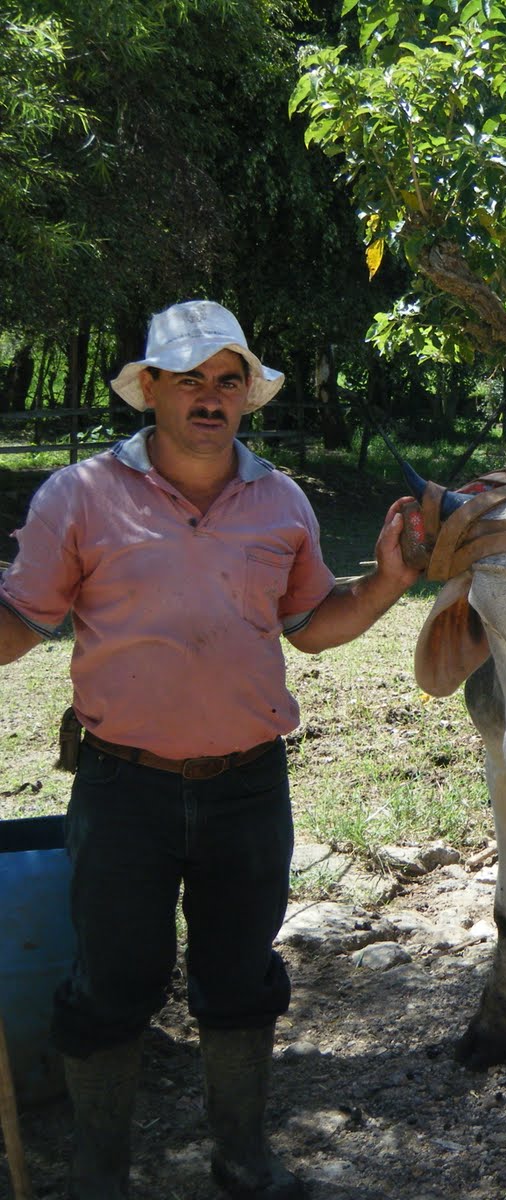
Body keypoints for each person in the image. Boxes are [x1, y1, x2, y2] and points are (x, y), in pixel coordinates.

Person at [0, 300, 421, 1200]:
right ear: (148, 389)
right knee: (111, 985)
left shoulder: (281, 499)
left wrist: (387, 581)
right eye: (188, 378)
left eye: (227, 380)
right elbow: (20, 626)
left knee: (240, 978)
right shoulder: (78, 496)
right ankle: (100, 1178)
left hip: (247, 787)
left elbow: (310, 626)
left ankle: (242, 1163)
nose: (209, 396)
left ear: (246, 398)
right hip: (123, 789)